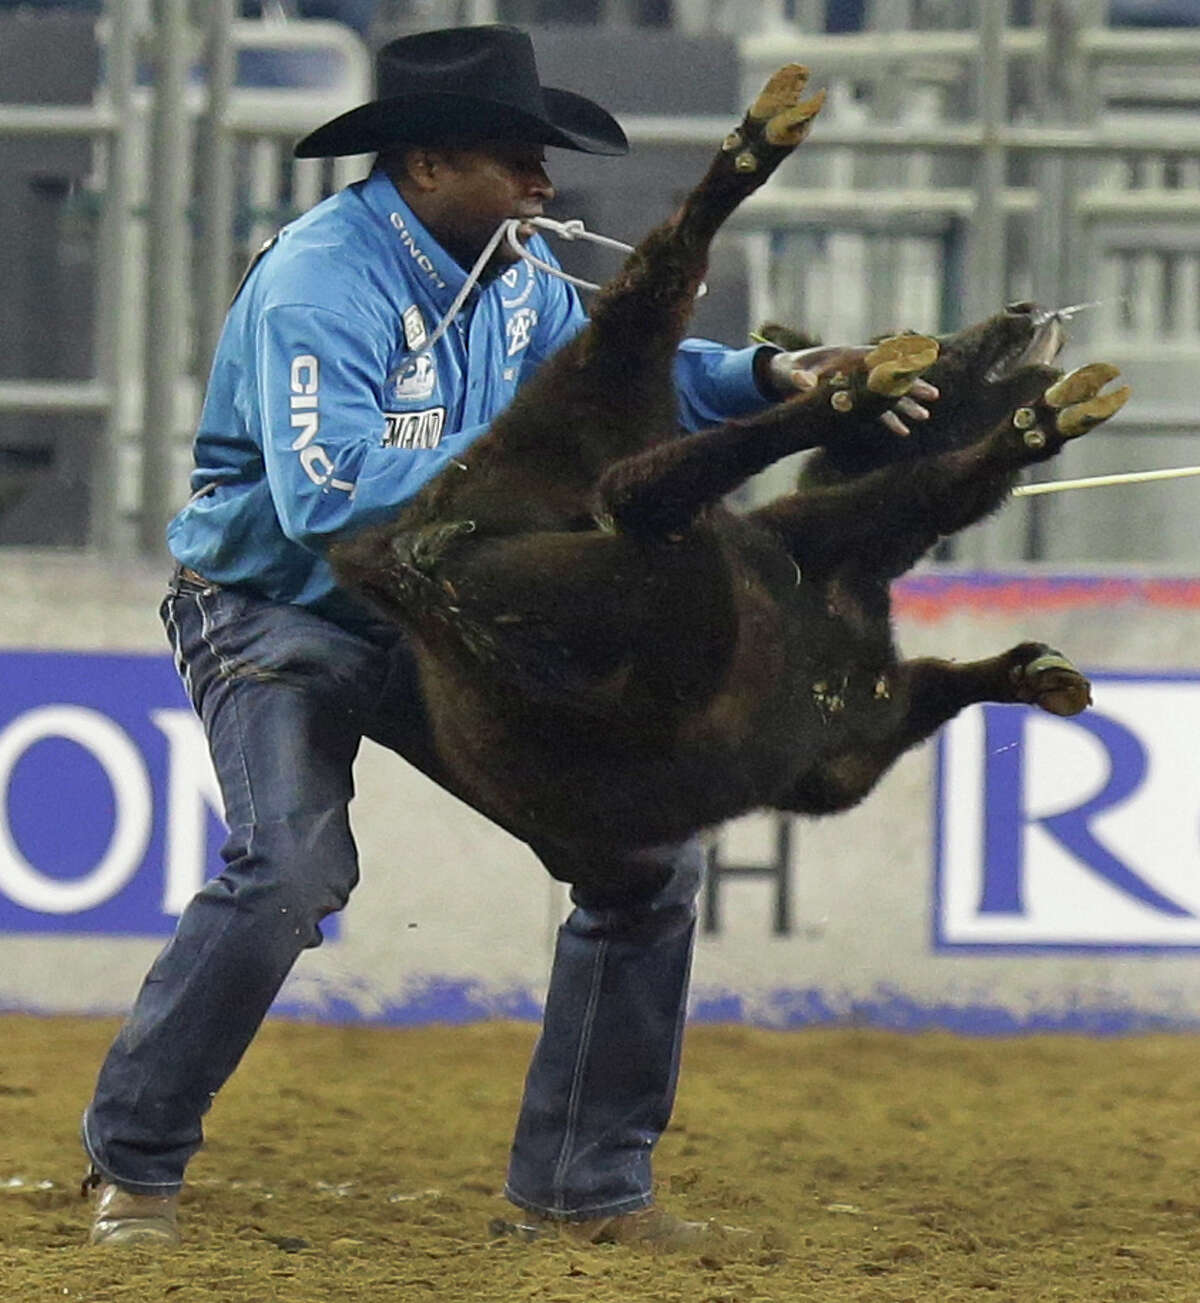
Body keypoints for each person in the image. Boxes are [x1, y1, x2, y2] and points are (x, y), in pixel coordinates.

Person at [80, 24, 933, 1249]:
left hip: (434, 611)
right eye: (518, 158)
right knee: (290, 871)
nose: (543, 181)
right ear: (428, 165)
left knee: (646, 860)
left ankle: (584, 1185)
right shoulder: (319, 281)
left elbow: (619, 378)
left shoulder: (514, 278)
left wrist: (771, 377)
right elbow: (328, 499)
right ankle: (135, 1162)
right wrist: (547, 490)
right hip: (276, 611)